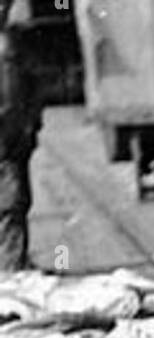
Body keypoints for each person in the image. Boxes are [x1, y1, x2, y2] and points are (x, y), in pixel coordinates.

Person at [0, 0, 41, 271]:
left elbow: (32, 93)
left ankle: (11, 275)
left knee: (13, 208)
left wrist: (31, 127)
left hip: (12, 146)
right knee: (10, 209)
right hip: (8, 146)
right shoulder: (11, 51)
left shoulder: (15, 48)